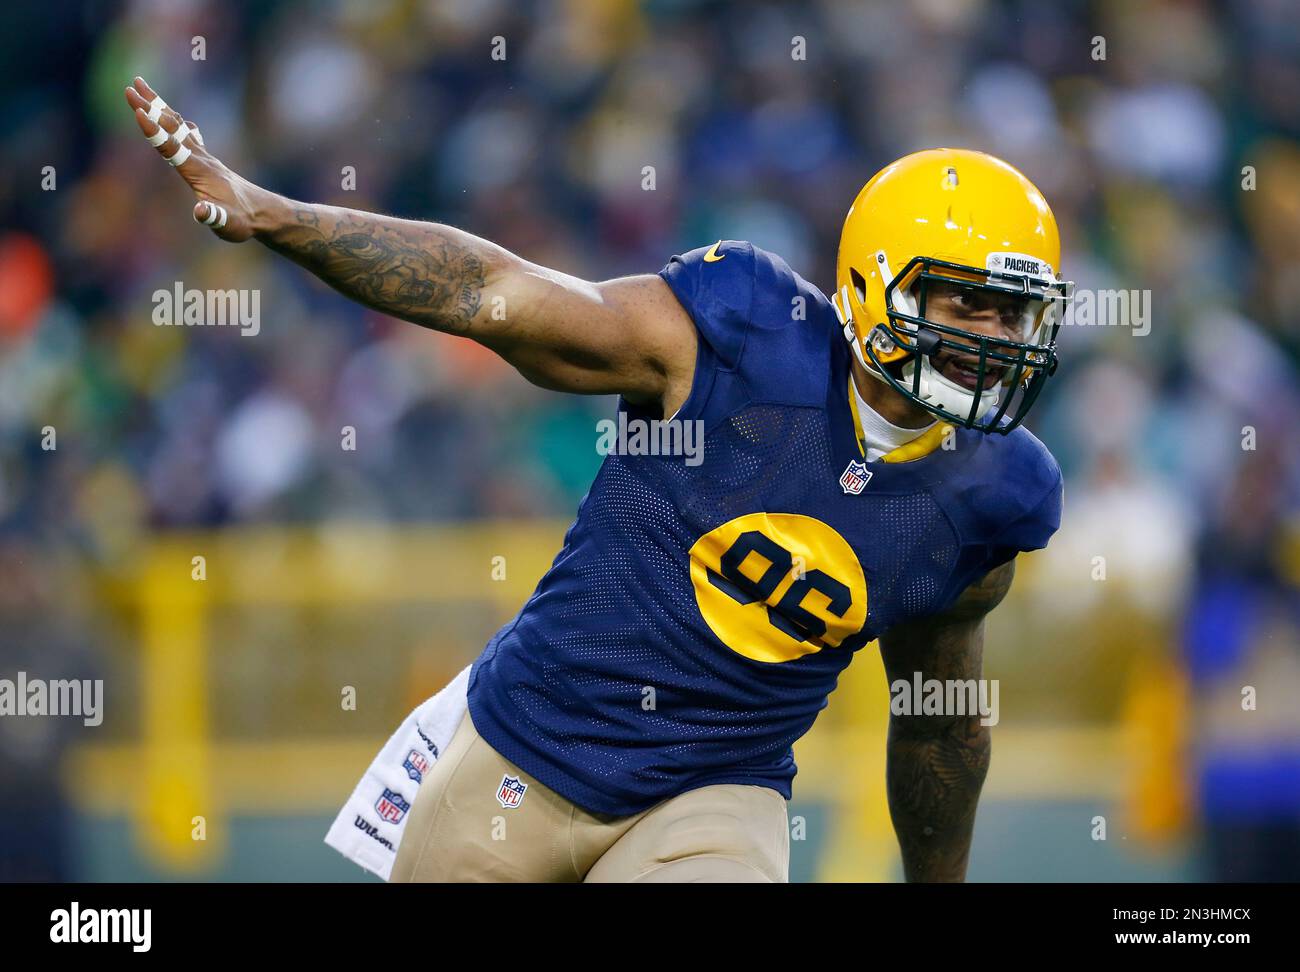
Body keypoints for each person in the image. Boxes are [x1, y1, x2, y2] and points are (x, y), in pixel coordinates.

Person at [127, 75, 1070, 882]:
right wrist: (284, 217)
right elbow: (488, 294)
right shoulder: (746, 336)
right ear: (875, 281)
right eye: (967, 303)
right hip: (525, 746)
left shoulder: (992, 496)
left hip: (713, 793)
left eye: (1013, 316)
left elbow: (939, 722)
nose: (989, 340)